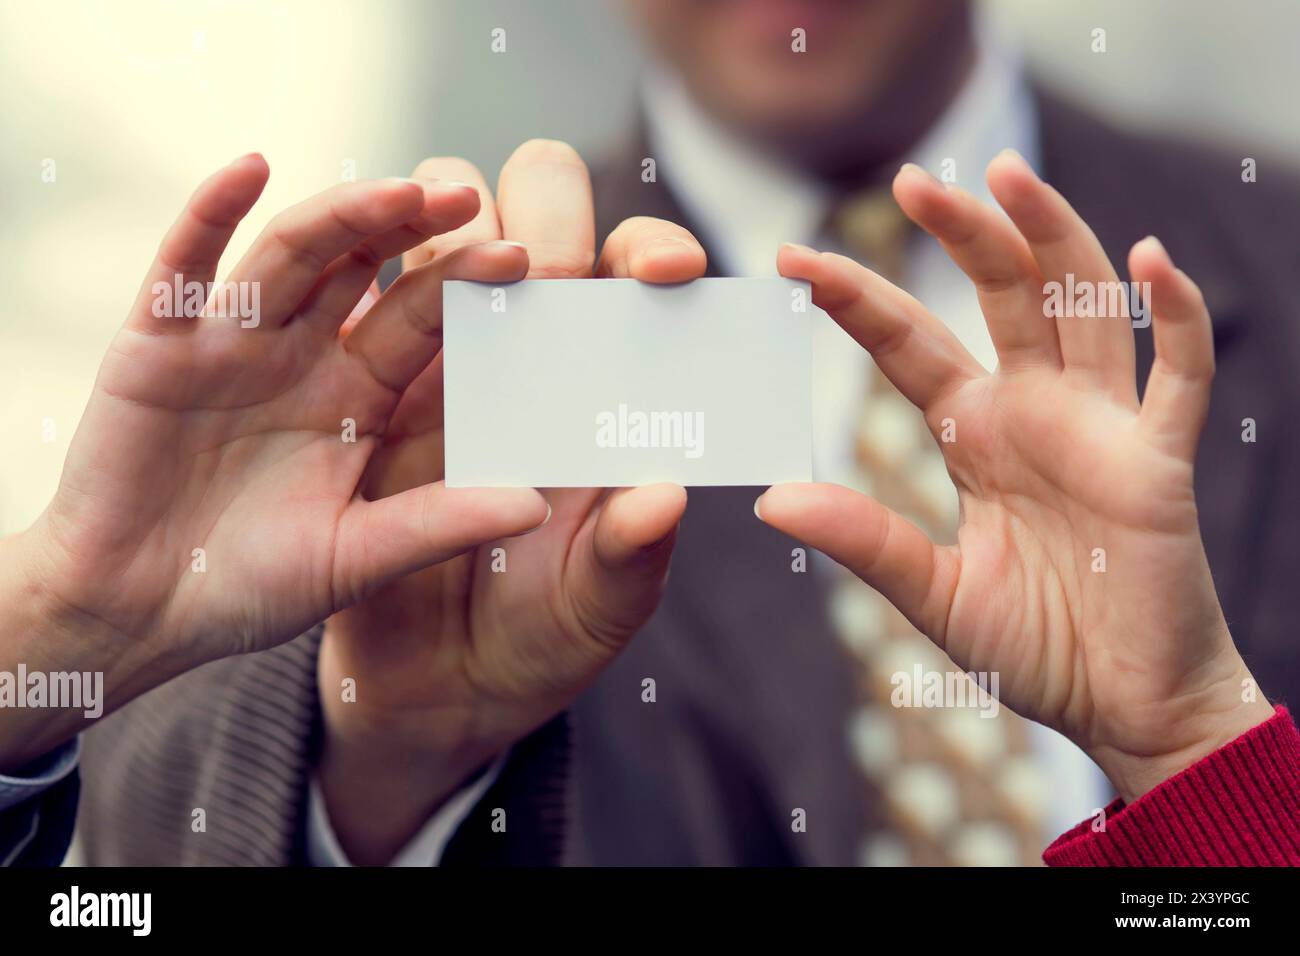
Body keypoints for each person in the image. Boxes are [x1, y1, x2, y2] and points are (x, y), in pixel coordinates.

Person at [7, 0, 1300, 866]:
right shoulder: (437, 333)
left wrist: (1199, 750)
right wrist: (386, 766)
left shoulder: (1275, 251)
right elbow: (144, 825)